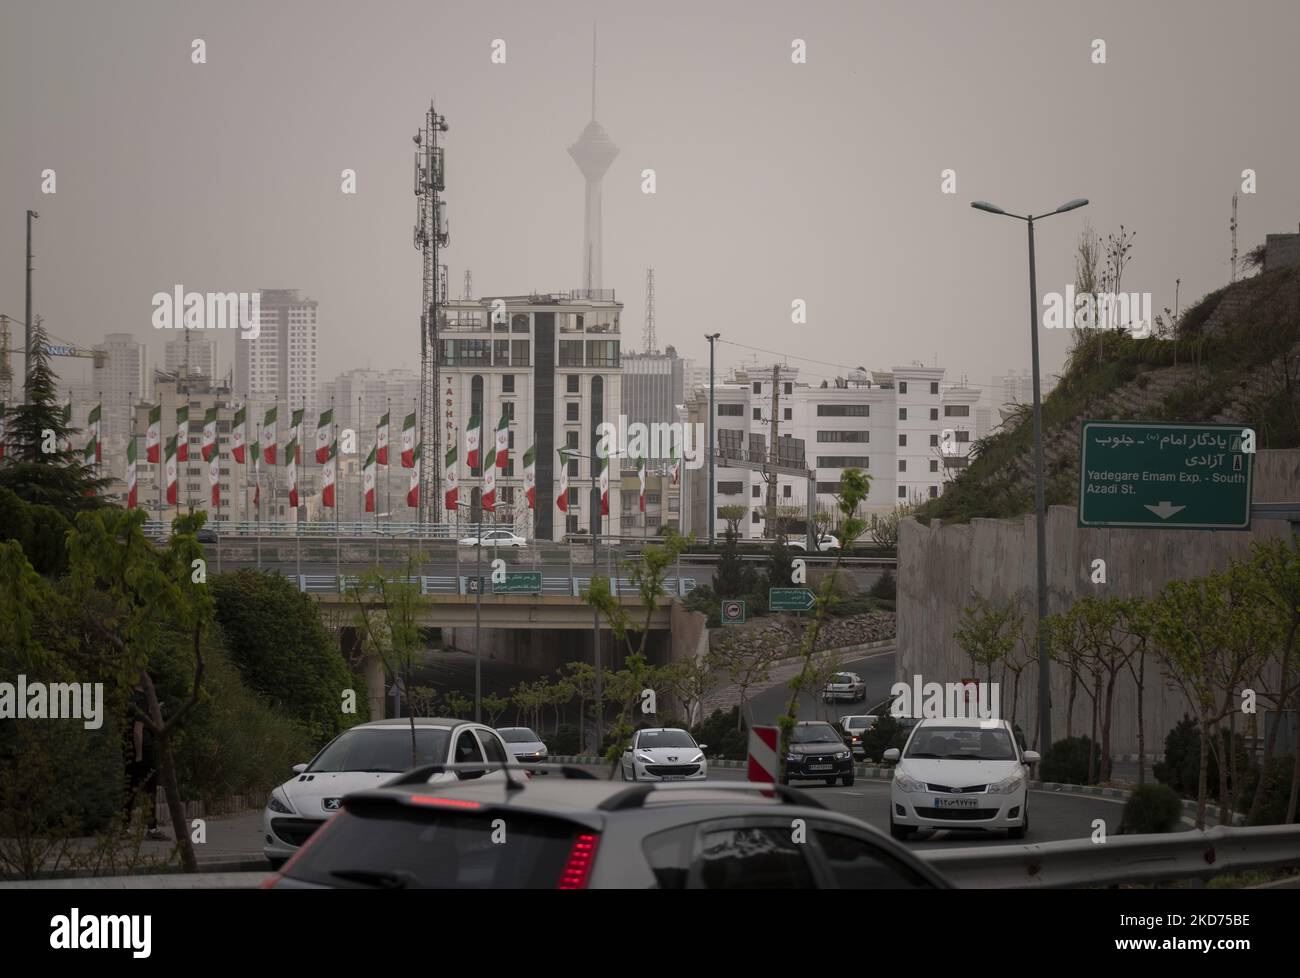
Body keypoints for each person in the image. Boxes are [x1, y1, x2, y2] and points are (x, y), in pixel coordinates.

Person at [124, 681, 167, 840]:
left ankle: (124, 827)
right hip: (144, 749)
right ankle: (152, 828)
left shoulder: (130, 698)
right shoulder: (141, 699)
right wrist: (140, 755)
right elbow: (138, 730)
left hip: (129, 748)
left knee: (129, 788)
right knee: (150, 788)